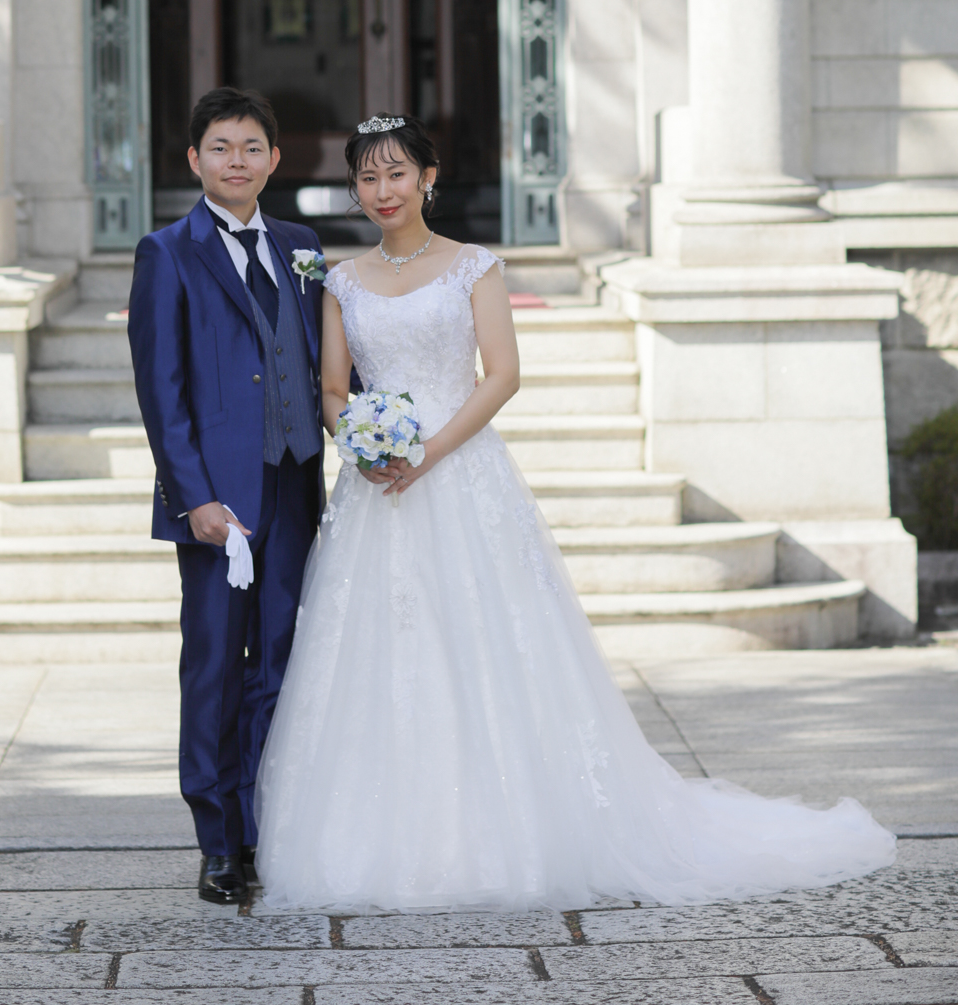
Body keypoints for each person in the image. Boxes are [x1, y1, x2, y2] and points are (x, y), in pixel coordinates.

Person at [254, 113, 896, 912]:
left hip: (460, 474)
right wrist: (361, 443)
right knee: (379, 655)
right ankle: (381, 839)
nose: (382, 191)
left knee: (493, 647)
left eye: (397, 173)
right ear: (354, 189)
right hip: (378, 490)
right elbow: (332, 386)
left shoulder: (473, 267)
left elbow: (502, 375)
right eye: (368, 177)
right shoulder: (343, 282)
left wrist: (431, 450)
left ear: (429, 176)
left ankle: (511, 833)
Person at [127, 87, 325, 905]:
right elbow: (160, 393)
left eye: (251, 147)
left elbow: (323, 361)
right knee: (213, 667)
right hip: (218, 506)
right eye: (220, 147)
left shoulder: (304, 246)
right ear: (194, 160)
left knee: (279, 662)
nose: (236, 161)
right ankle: (216, 840)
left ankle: (261, 825)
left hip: (294, 483)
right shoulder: (167, 252)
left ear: (274, 160)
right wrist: (193, 499)